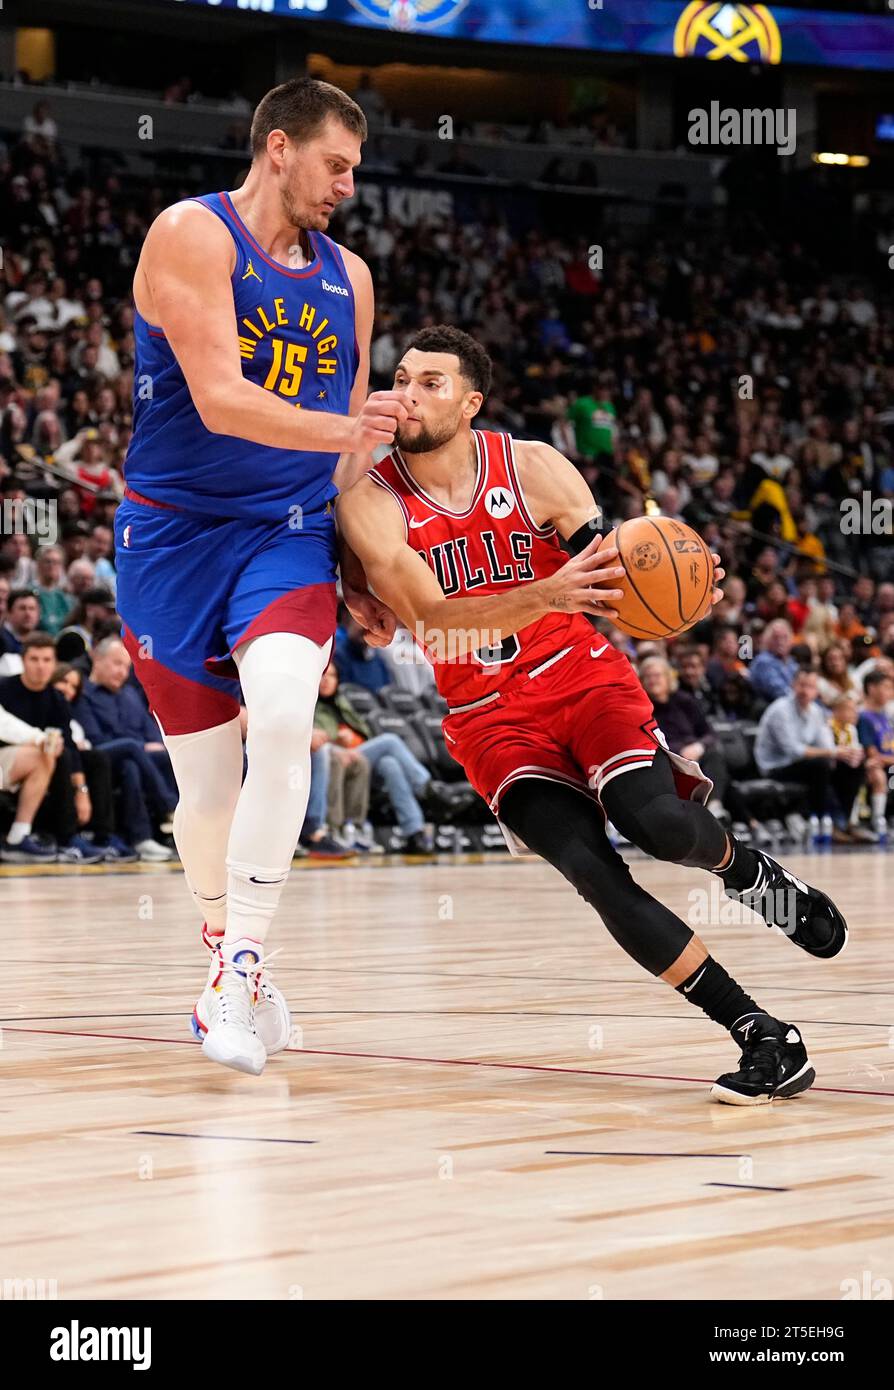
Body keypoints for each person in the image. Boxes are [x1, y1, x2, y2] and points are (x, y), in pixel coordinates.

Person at [339, 325, 847, 1106]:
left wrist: (682, 581)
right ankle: (760, 1032)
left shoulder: (533, 466)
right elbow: (435, 622)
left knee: (660, 826)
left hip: (579, 676)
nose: (407, 393)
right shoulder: (371, 501)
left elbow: (619, 567)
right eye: (401, 378)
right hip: (485, 714)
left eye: (430, 383)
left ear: (472, 401)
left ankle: (756, 878)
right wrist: (547, 591)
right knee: (592, 871)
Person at [114, 77, 409, 1073]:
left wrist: (362, 557)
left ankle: (242, 961)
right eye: (337, 163)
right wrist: (350, 429)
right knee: (204, 782)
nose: (348, 186)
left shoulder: (350, 278)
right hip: (170, 536)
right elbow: (222, 398)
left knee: (285, 717)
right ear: (277, 147)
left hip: (284, 534)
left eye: (357, 170)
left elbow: (348, 456)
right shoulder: (192, 235)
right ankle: (222, 954)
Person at [0, 632, 109, 863]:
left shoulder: (57, 699)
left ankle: (103, 837)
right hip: (11, 756)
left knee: (92, 757)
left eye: (47, 660)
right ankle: (65, 839)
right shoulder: (4, 687)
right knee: (52, 754)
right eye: (35, 659)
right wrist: (40, 740)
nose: (41, 666)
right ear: (23, 661)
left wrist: (82, 792)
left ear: (55, 663)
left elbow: (68, 742)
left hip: (39, 759)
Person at [76, 636, 178, 861]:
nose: (122, 672)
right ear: (98, 660)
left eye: (126, 666)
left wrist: (148, 746)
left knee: (156, 757)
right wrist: (141, 746)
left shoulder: (131, 694)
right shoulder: (82, 693)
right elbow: (95, 740)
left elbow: (152, 736)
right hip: (100, 758)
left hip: (135, 760)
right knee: (131, 749)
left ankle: (157, 835)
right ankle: (170, 808)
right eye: (116, 663)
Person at [754, 668, 865, 831]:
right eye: (802, 685)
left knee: (852, 765)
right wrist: (833, 753)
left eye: (811, 687)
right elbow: (793, 751)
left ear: (817, 691)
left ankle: (844, 820)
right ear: (793, 685)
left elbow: (825, 745)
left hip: (803, 765)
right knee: (821, 764)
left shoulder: (816, 711)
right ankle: (820, 817)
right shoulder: (780, 710)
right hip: (775, 767)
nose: (806, 691)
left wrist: (845, 754)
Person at [857, 669, 894, 836]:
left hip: (889, 764)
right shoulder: (864, 717)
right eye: (886, 687)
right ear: (871, 688)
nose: (890, 692)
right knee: (878, 774)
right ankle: (878, 820)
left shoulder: (885, 716)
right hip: (871, 767)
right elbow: (872, 755)